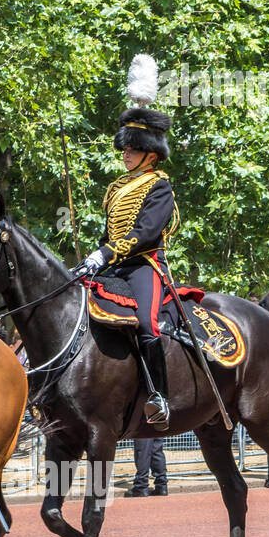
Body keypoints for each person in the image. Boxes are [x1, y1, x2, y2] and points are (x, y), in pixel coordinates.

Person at [77, 54, 178, 429]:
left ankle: (158, 396)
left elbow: (146, 234)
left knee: (148, 324)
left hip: (145, 265)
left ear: (150, 152)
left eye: (132, 149)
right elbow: (110, 233)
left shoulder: (159, 186)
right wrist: (94, 258)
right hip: (113, 265)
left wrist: (106, 252)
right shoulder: (116, 188)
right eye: (124, 148)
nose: (125, 153)